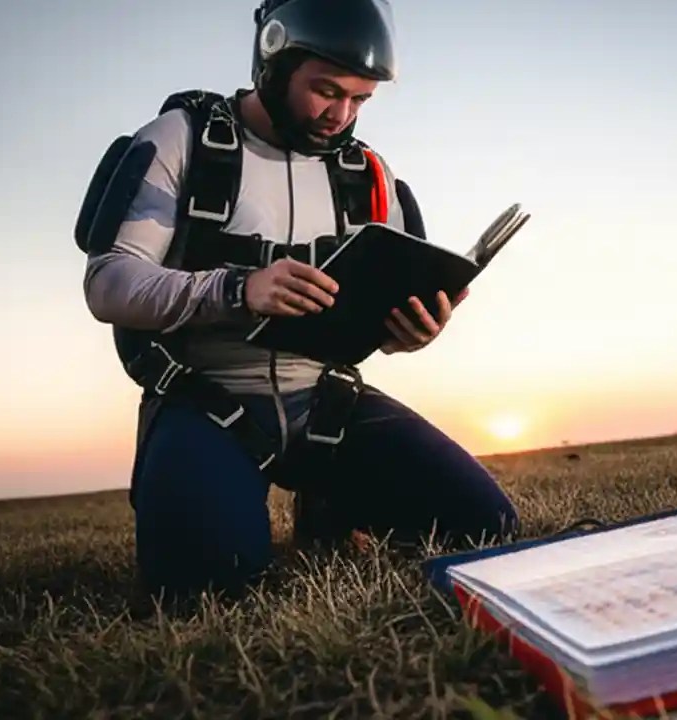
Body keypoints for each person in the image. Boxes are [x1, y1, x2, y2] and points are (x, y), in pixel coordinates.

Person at [81, 0, 520, 597]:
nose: (341, 115)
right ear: (274, 59)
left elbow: (378, 306)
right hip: (205, 399)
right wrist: (235, 289)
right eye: (326, 91)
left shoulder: (368, 173)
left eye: (360, 99)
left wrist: (409, 331)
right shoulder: (181, 139)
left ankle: (333, 504)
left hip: (328, 400)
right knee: (209, 585)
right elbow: (108, 282)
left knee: (488, 526)